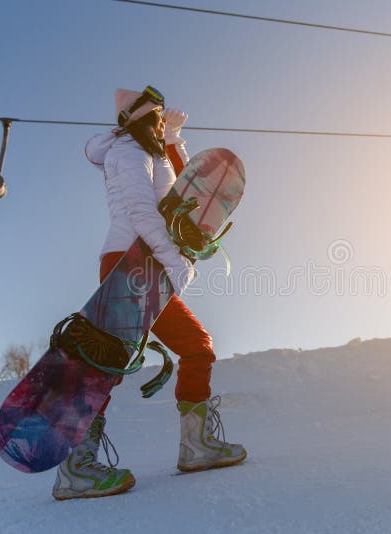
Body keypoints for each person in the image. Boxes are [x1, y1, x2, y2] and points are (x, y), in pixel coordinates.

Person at [51, 85, 246, 501]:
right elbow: (142, 209)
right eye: (156, 116)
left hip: (144, 260)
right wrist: (170, 259)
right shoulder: (125, 151)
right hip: (131, 260)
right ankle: (76, 468)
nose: (160, 122)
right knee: (112, 360)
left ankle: (196, 448)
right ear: (136, 118)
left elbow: (186, 196)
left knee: (195, 347)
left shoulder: (150, 151)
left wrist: (176, 138)